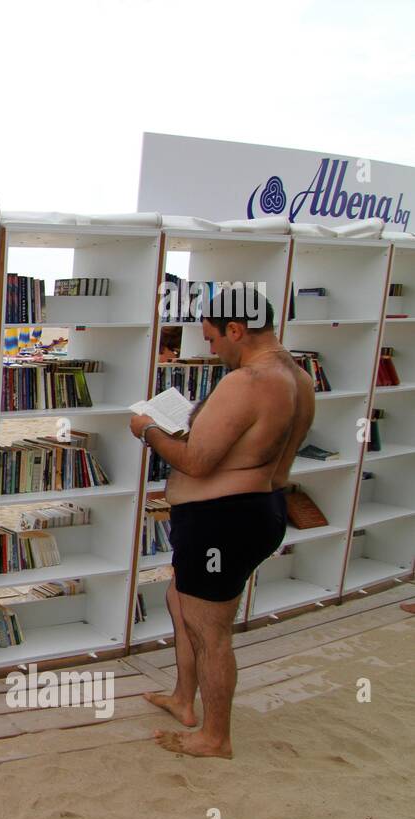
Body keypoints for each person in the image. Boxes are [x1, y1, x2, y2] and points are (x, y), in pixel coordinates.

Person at [131, 284, 314, 758]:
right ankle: (181, 699)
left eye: (213, 339)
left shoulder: (247, 382)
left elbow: (197, 462)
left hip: (222, 523)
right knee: (180, 601)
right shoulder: (299, 377)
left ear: (237, 329)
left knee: (211, 633)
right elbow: (249, 446)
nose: (211, 349)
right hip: (261, 511)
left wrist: (147, 429)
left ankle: (215, 737)